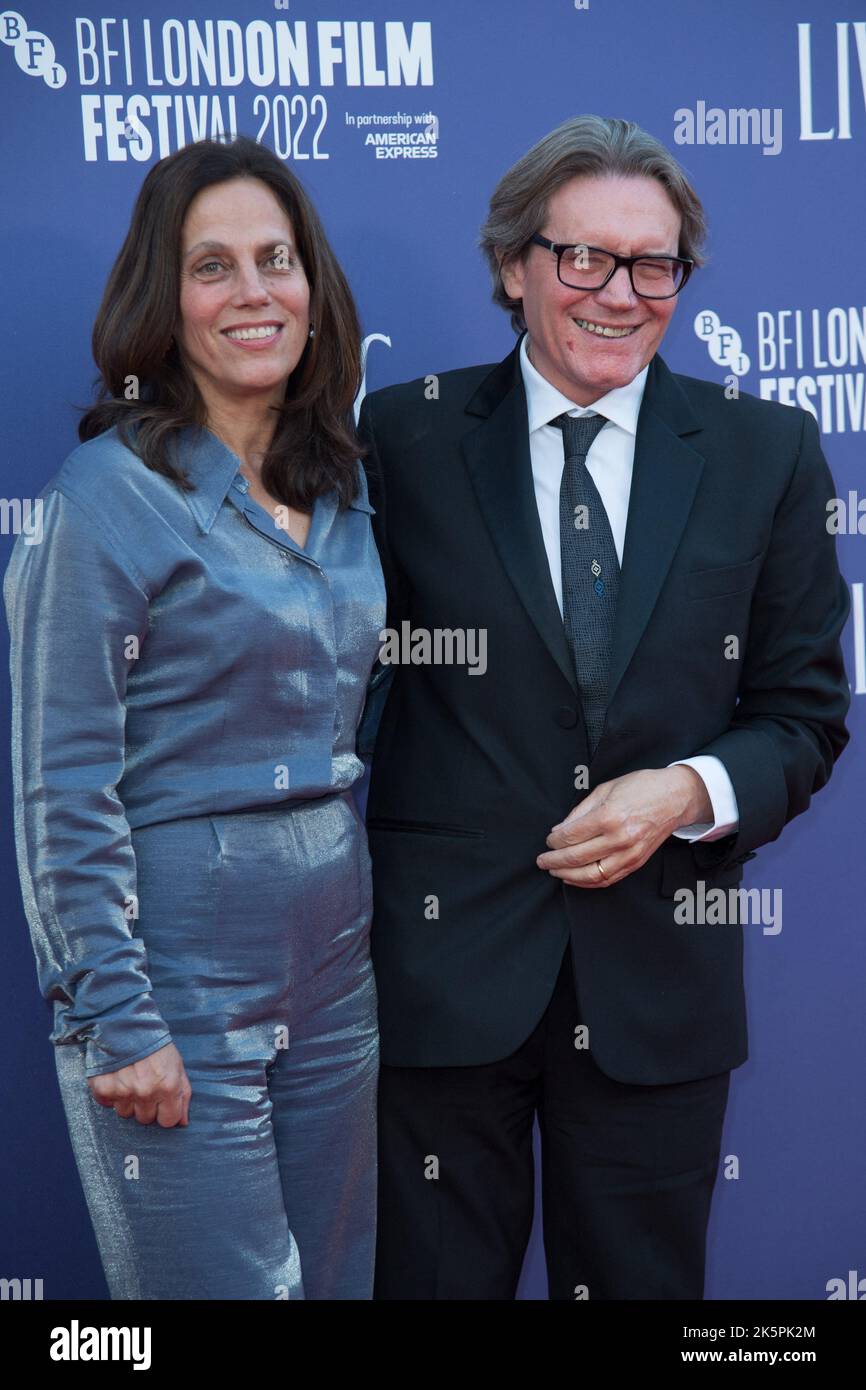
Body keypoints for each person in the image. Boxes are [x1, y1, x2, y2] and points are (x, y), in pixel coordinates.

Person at [359, 114, 851, 1300]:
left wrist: (689, 788)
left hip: (654, 985)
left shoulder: (764, 452)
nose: (619, 293)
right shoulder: (402, 435)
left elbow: (802, 712)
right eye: (582, 257)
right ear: (512, 265)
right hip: (442, 976)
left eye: (652, 264)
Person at [3, 135, 385, 1300]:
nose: (253, 290)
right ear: (164, 304)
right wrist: (117, 1018)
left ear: (313, 290)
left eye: (275, 258)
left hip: (334, 980)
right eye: (211, 266)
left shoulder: (339, 483)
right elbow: (57, 785)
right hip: (172, 982)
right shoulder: (107, 497)